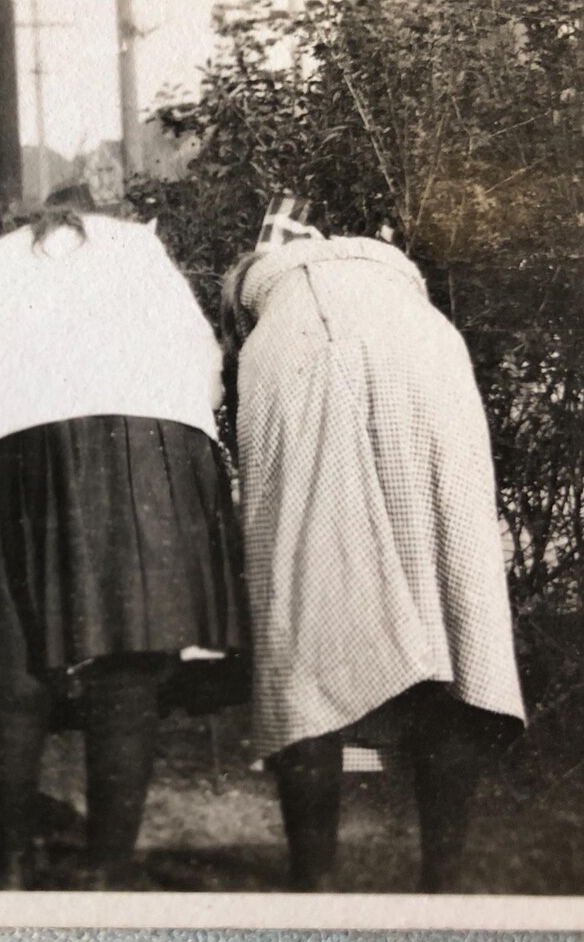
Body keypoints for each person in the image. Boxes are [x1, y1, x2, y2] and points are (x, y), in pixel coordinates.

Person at [221, 197, 526, 892]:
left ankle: (313, 879)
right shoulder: (392, 281)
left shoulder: (269, 298)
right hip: (429, 356)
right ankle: (443, 879)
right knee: (447, 605)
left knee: (302, 608)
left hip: (302, 357)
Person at [0, 183, 246, 889]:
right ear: (105, 218)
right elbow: (208, 376)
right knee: (129, 663)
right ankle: (110, 868)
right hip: (152, 438)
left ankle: (9, 867)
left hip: (20, 441)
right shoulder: (141, 248)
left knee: (14, 666)